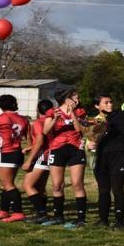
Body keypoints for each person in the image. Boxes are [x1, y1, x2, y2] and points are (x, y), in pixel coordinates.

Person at [86, 72, 124, 229]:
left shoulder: (121, 113)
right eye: (106, 102)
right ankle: (103, 219)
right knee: (103, 190)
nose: (110, 104)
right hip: (101, 157)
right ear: (97, 106)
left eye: (111, 102)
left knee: (117, 189)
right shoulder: (94, 121)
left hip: (119, 155)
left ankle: (119, 222)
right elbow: (89, 138)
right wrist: (90, 145)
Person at [39, 90, 90, 228]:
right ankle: (58, 217)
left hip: (75, 148)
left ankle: (81, 219)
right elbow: (45, 131)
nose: (77, 99)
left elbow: (80, 129)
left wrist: (72, 112)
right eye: (75, 97)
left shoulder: (80, 111)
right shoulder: (53, 112)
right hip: (57, 148)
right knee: (57, 185)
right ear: (66, 99)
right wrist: (55, 118)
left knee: (77, 183)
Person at [0, 94, 32, 222]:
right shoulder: (23, 119)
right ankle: (4, 211)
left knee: (8, 184)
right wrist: (29, 147)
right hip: (17, 153)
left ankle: (18, 212)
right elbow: (29, 138)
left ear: (0, 106)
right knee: (5, 184)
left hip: (5, 152)